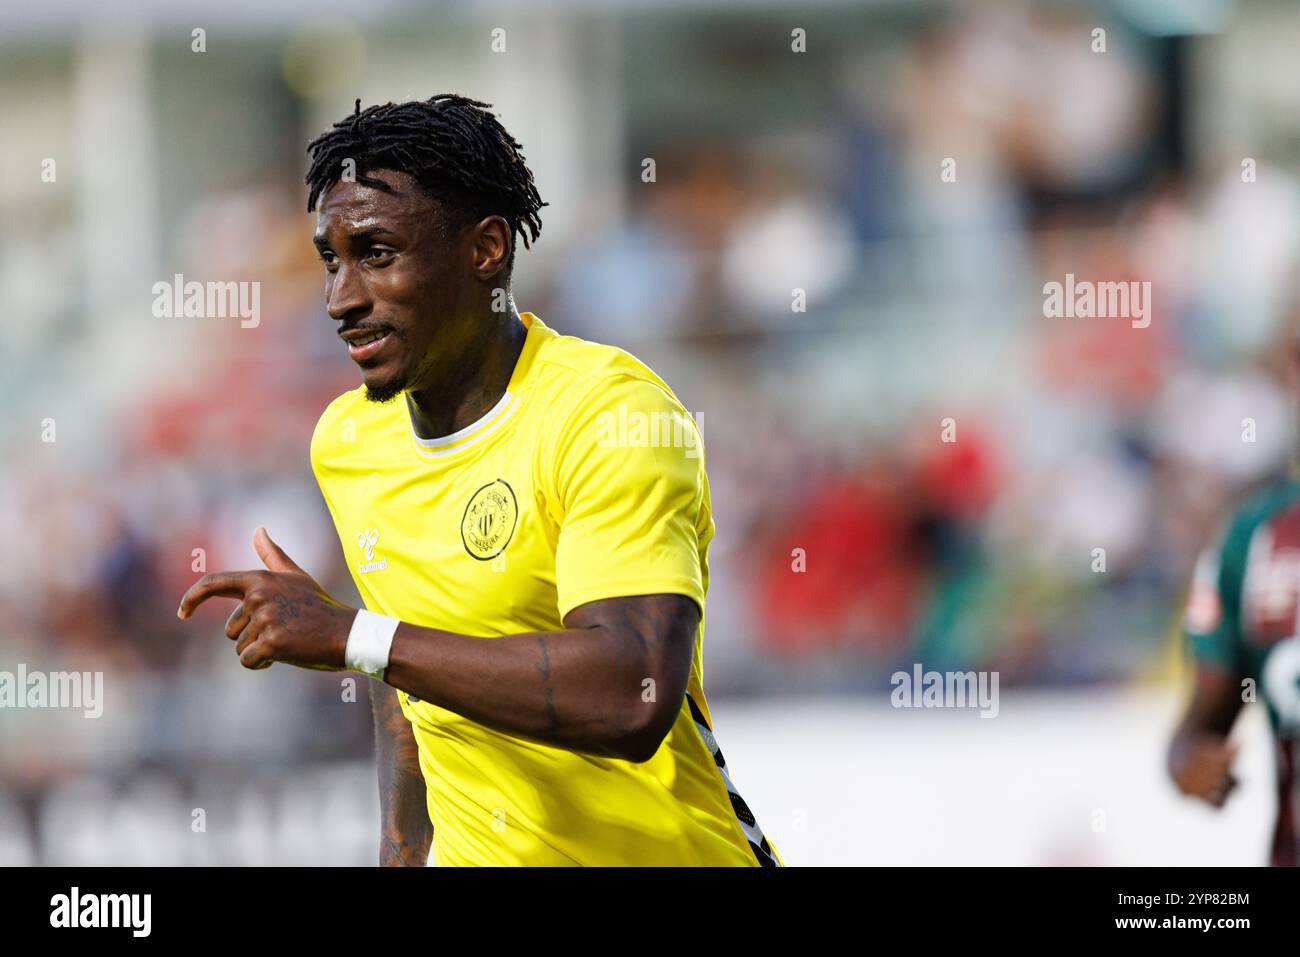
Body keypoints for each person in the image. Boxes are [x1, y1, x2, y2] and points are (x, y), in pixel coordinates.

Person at [178, 94, 783, 867]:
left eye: (377, 253)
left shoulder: (609, 414)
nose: (340, 299)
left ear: (485, 250)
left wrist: (351, 633)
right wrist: (401, 846)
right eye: (332, 259)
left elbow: (630, 692)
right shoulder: (349, 440)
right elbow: (401, 662)